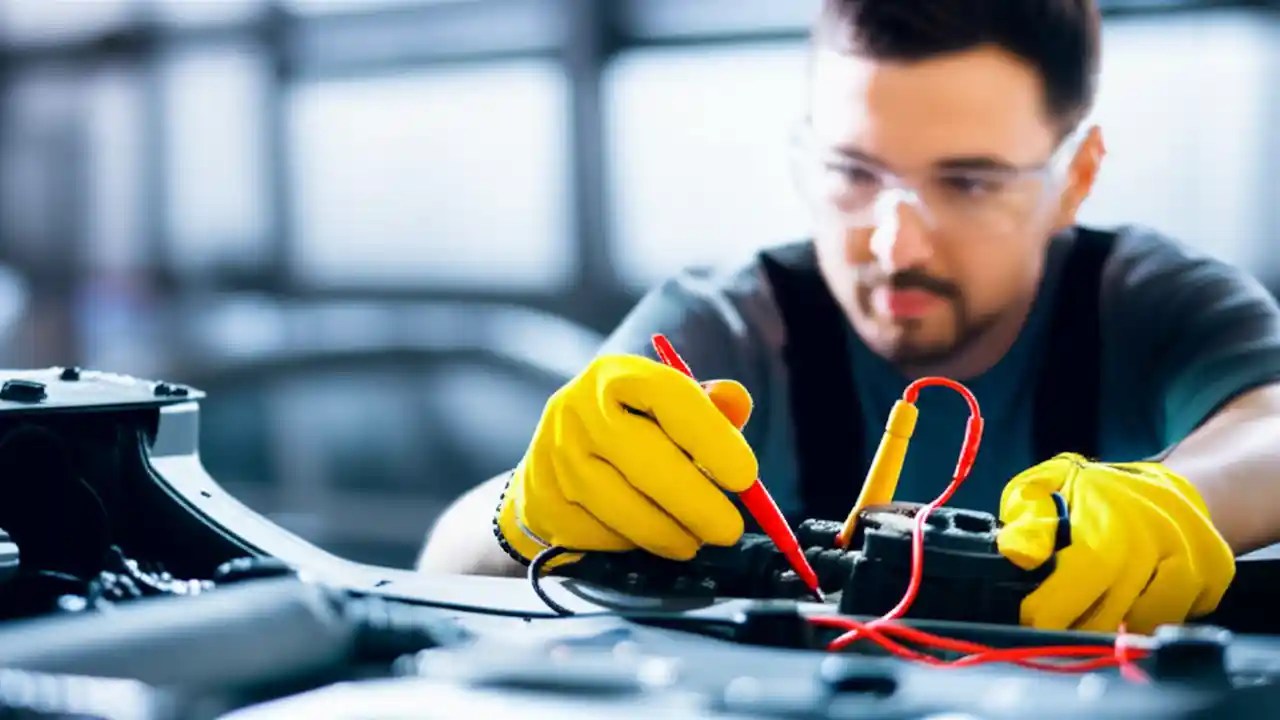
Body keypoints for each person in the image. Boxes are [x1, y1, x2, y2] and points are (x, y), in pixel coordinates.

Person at [418, 0, 1280, 635]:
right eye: (854, 173)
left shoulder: (1156, 302)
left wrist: (1183, 495)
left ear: (1078, 177)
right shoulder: (729, 326)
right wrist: (524, 511)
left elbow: (1269, 428)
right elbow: (443, 568)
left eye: (969, 182)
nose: (896, 244)